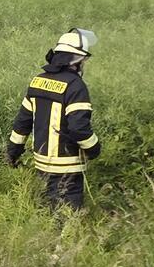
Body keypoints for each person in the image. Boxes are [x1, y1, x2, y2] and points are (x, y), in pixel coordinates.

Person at [5, 28, 100, 211]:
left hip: (42, 164)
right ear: (76, 60)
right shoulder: (75, 86)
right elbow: (79, 128)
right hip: (67, 167)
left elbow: (22, 124)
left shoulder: (38, 81)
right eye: (83, 60)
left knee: (48, 212)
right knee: (68, 218)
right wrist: (94, 148)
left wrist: (13, 153)